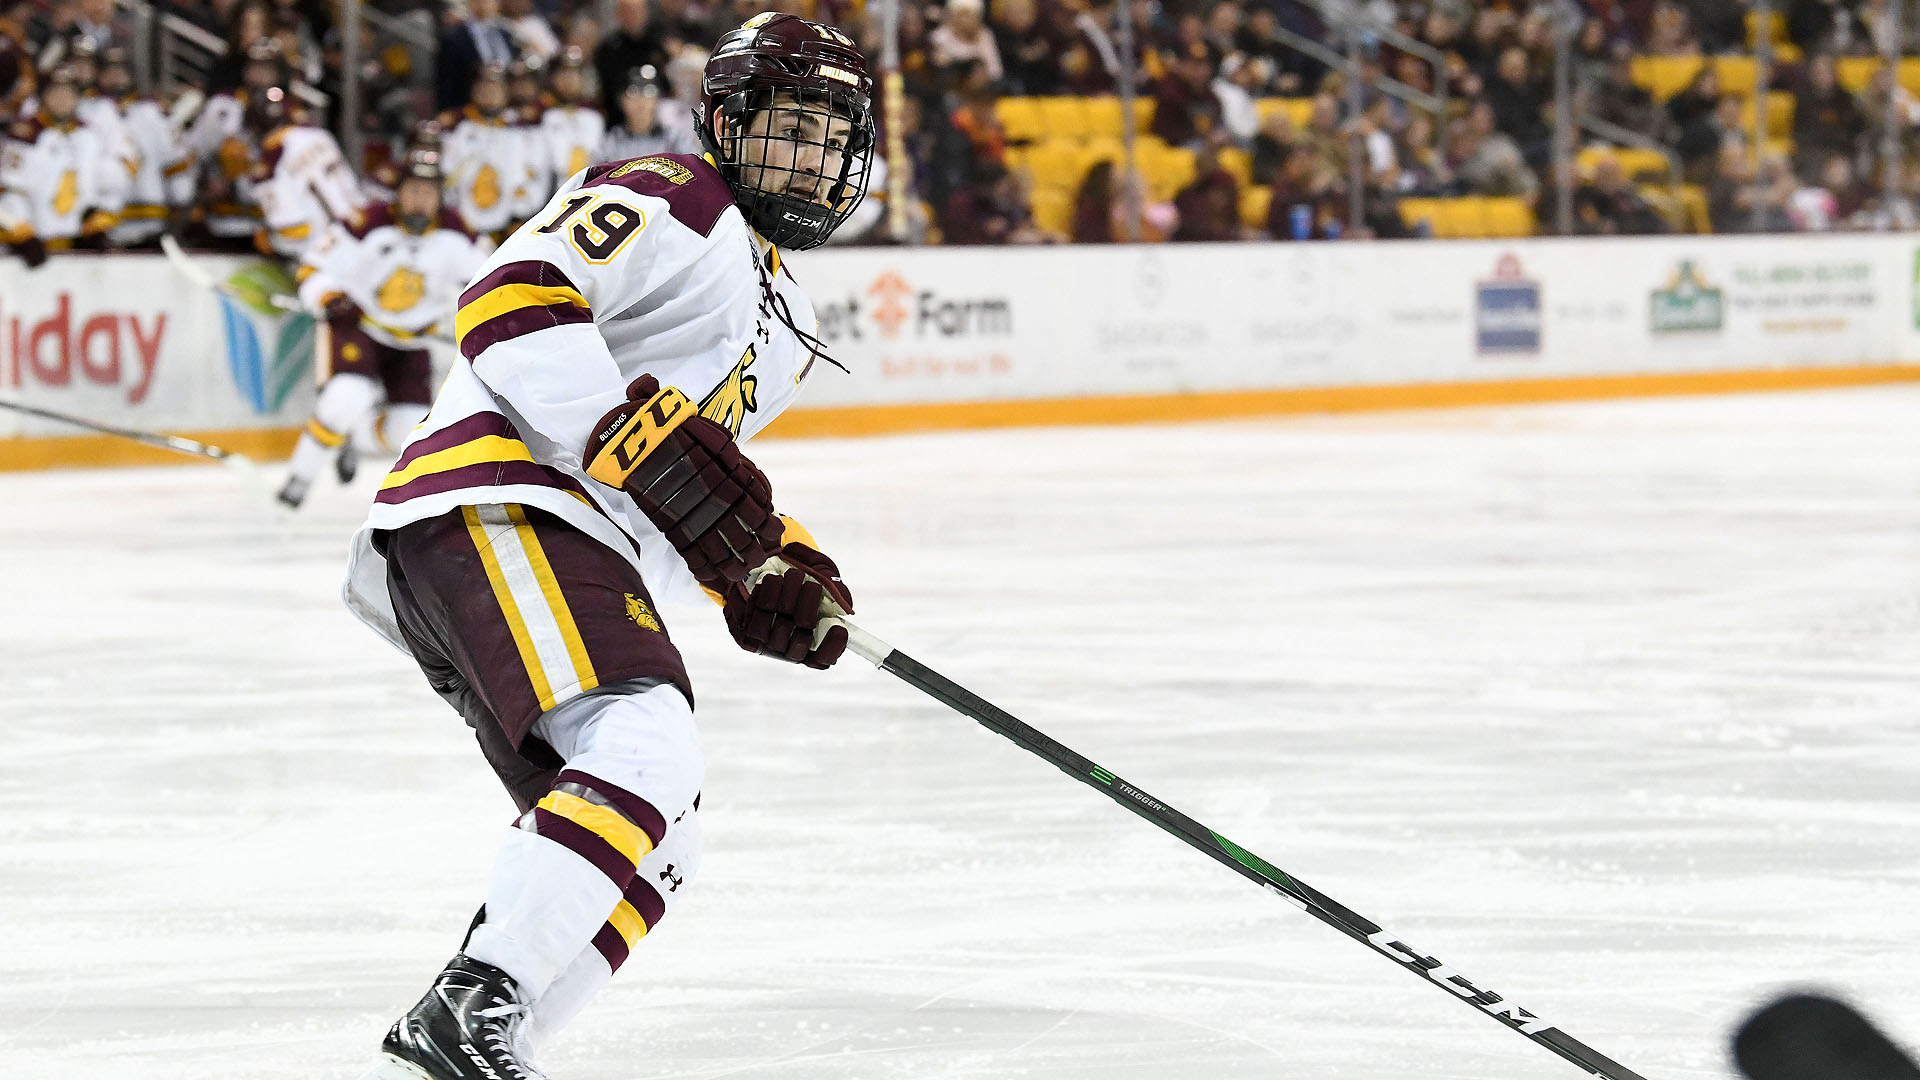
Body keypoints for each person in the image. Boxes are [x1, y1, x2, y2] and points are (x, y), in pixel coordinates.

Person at [341, 13, 874, 1080]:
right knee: (646, 747)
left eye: (829, 136)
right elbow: (511, 296)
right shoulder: (678, 197)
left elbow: (687, 470)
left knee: (664, 838)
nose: (811, 155)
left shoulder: (787, 316)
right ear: (725, 124)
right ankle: (474, 1001)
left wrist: (768, 563)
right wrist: (618, 433)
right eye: (788, 125)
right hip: (497, 500)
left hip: (560, 537)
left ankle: (490, 1039)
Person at [278, 149, 488, 509]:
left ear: (440, 196)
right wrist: (329, 298)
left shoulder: (462, 235)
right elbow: (312, 269)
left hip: (413, 342)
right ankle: (298, 482)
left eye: (428, 192)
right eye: (412, 190)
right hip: (364, 328)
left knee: (409, 430)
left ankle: (353, 436)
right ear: (398, 192)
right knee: (346, 396)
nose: (419, 200)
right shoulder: (366, 223)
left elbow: (488, 288)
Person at [0, 63, 117, 265]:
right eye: (56, 93)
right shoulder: (26, 135)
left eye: (68, 93)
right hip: (33, 247)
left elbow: (102, 184)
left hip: (77, 248)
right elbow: (10, 192)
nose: (62, 100)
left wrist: (97, 223)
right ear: (44, 97)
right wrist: (21, 233)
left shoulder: (88, 134)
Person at [247, 84, 367, 259]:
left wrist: (270, 239)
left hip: (324, 253)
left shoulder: (268, 164)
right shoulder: (320, 134)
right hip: (361, 230)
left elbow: (292, 230)